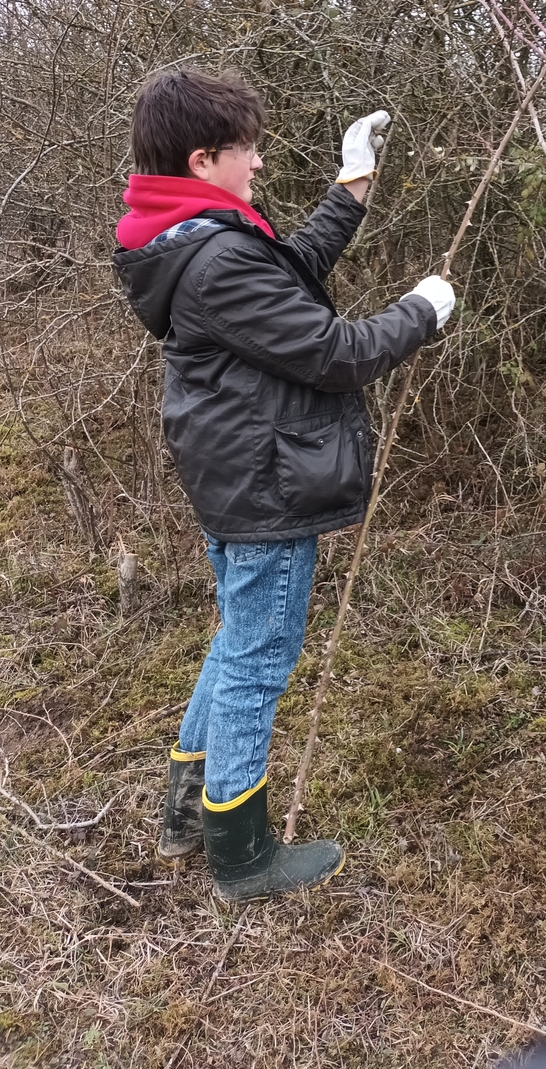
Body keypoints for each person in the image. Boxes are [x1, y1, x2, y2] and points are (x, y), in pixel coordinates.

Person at [113, 69, 454, 903]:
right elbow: (335, 354)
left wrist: (352, 188)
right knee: (258, 659)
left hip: (234, 477)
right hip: (265, 489)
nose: (259, 162)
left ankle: (186, 817)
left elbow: (287, 272)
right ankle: (242, 855)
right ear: (202, 160)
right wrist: (422, 311)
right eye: (246, 149)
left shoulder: (188, 235)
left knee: (237, 641)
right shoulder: (215, 256)